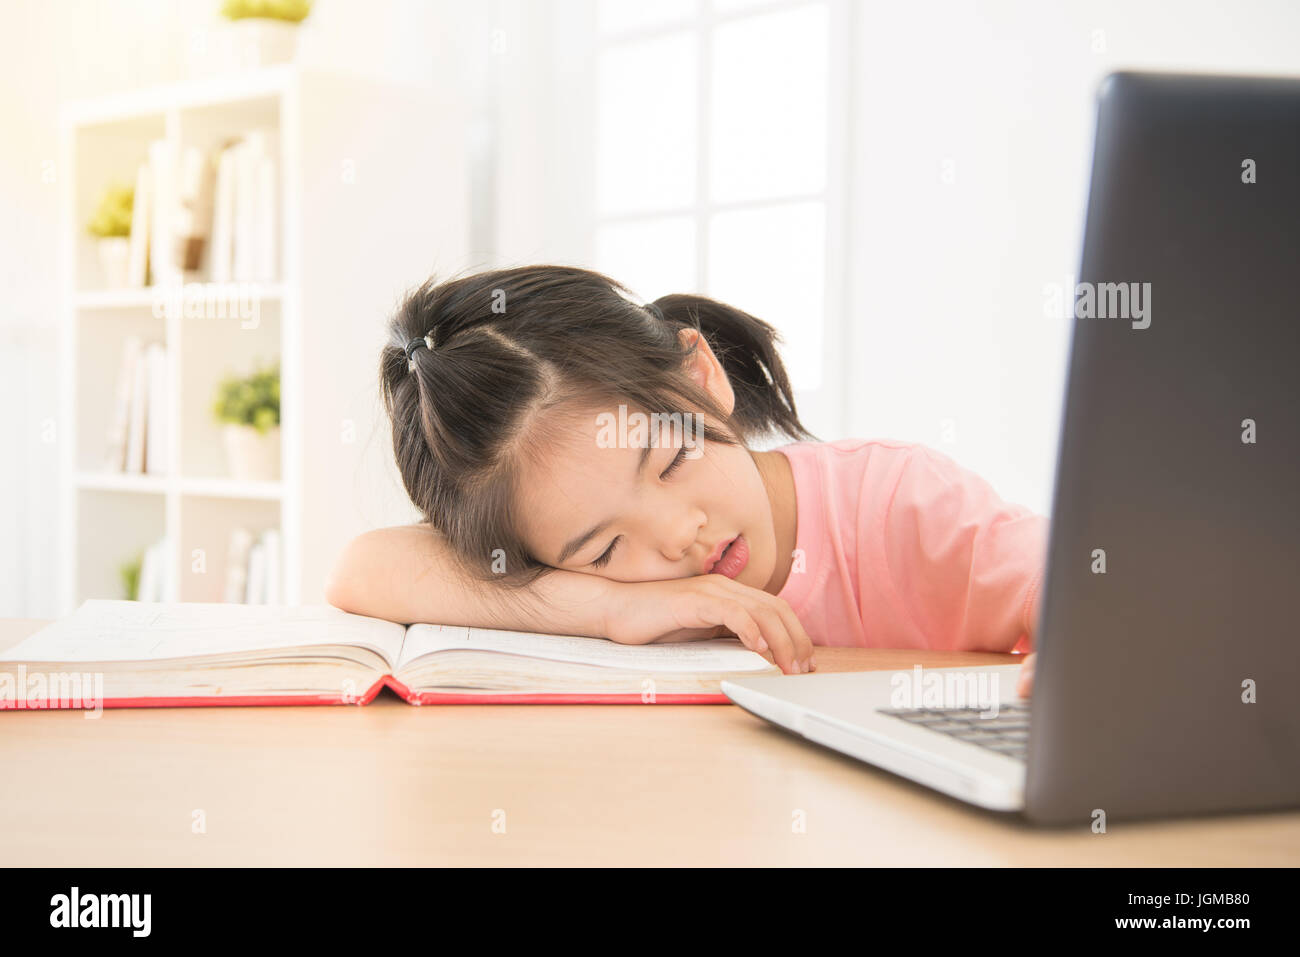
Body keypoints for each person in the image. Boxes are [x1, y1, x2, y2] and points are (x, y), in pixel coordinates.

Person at [327, 265, 1045, 693]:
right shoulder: (629, 600)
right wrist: (611, 608)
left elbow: (1091, 583)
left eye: (670, 458)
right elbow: (366, 567)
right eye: (606, 549)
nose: (678, 537)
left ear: (700, 373)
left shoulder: (896, 501)